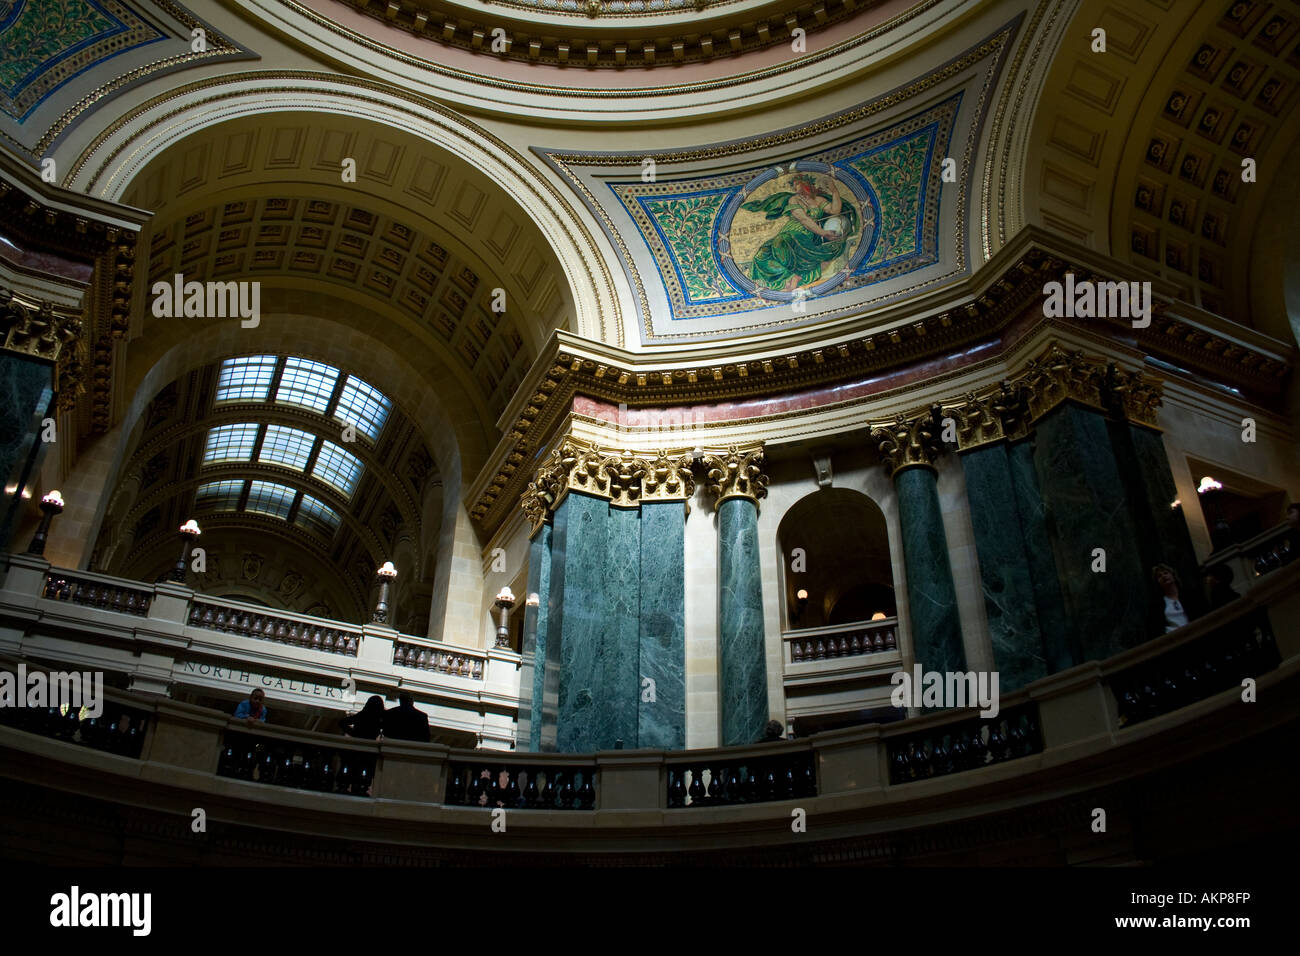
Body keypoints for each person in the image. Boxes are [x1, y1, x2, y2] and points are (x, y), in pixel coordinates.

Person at [1150, 564, 1191, 634]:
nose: (1163, 576)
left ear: (1173, 576)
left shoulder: (1189, 595)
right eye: (1159, 576)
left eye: (1166, 573)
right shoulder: (1157, 605)